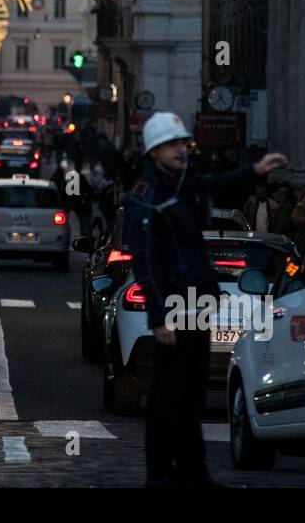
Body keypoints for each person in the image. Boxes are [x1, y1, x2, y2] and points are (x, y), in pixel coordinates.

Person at [121, 112, 287, 488]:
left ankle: (193, 472)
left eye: (183, 143)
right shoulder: (146, 197)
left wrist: (255, 169)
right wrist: (159, 316)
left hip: (196, 305)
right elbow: (146, 263)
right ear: (155, 151)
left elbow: (218, 183)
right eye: (174, 144)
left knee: (191, 398)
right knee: (166, 397)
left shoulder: (182, 184)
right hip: (174, 309)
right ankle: (161, 474)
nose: (182, 149)